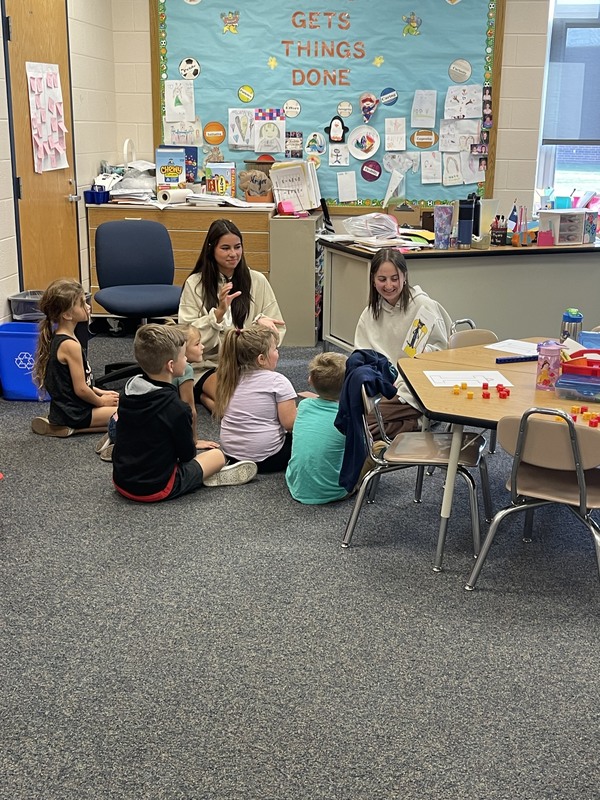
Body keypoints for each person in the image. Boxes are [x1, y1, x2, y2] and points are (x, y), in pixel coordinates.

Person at [112, 324, 257, 502]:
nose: (187, 361)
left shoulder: (127, 391)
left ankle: (200, 476)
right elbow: (188, 455)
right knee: (218, 455)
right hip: (157, 488)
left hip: (121, 482)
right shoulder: (177, 408)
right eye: (184, 357)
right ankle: (204, 477)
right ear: (171, 365)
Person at [178, 218, 286, 412]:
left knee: (265, 405)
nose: (233, 254)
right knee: (238, 405)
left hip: (248, 364)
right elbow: (186, 339)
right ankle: (207, 394)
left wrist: (260, 323)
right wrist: (217, 315)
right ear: (211, 249)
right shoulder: (195, 284)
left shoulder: (257, 280)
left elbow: (277, 332)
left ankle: (207, 399)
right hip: (210, 364)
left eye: (237, 247)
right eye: (225, 248)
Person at [354, 248, 451, 437]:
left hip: (413, 384)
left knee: (362, 423)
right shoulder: (369, 313)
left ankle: (418, 418)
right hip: (384, 386)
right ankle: (414, 423)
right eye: (382, 279)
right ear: (373, 280)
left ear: (404, 277)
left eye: (394, 278)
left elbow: (439, 352)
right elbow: (361, 356)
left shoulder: (423, 306)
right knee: (358, 420)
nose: (389, 285)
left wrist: (401, 378)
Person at [31, 278, 119, 437]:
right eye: (81, 304)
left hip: (68, 409)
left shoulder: (66, 336)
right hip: (75, 413)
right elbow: (80, 389)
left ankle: (64, 426)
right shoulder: (70, 345)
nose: (88, 306)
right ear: (67, 315)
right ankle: (68, 428)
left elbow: (77, 382)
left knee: (126, 410)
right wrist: (101, 402)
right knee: (129, 415)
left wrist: (100, 392)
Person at [213, 327, 296, 473]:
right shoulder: (278, 381)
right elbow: (290, 425)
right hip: (268, 459)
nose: (278, 353)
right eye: (275, 349)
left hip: (231, 455)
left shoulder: (229, 378)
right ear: (261, 359)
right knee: (308, 433)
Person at [285, 352, 348, 505]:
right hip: (335, 491)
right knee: (374, 450)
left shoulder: (304, 405)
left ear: (310, 380)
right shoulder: (347, 416)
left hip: (296, 486)